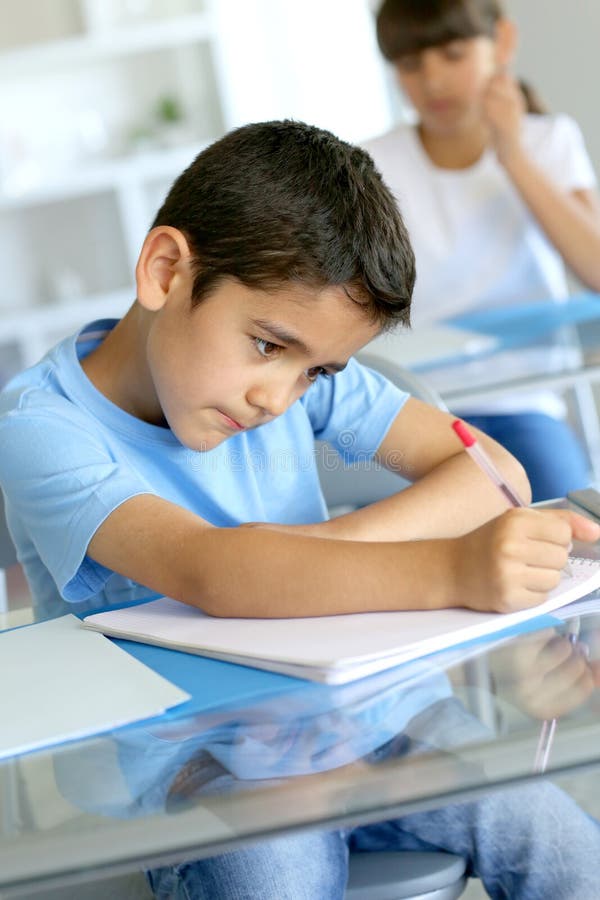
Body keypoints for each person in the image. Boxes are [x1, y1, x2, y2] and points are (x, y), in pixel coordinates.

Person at [1, 119, 599, 898]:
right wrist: (452, 567)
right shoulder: (41, 429)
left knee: (562, 843)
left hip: (374, 721)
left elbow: (494, 472)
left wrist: (325, 552)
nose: (279, 399)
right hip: (199, 767)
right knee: (277, 875)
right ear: (166, 271)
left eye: (316, 373)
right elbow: (212, 572)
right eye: (266, 346)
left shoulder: (296, 363)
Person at [365, 0, 600, 502]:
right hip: (411, 409)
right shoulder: (372, 164)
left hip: (523, 402)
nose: (433, 81)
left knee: (567, 520)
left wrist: (512, 154)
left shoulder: (548, 141)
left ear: (503, 43)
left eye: (453, 54)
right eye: (410, 64)